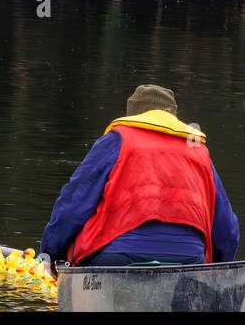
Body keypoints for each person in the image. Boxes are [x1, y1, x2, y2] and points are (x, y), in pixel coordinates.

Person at [41, 85, 238, 271]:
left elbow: (74, 203)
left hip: (116, 257)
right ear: (173, 117)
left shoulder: (116, 140)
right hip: (188, 259)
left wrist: (50, 254)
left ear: (133, 115)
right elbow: (226, 229)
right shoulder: (199, 152)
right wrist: (216, 270)